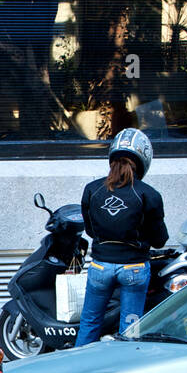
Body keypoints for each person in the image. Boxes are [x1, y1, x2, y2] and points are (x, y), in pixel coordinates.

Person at [74, 128, 168, 346]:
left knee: (89, 323)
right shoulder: (149, 194)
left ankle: (77, 369)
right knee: (130, 329)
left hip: (99, 267)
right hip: (133, 268)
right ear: (144, 157)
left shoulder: (92, 190)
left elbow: (90, 230)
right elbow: (159, 240)